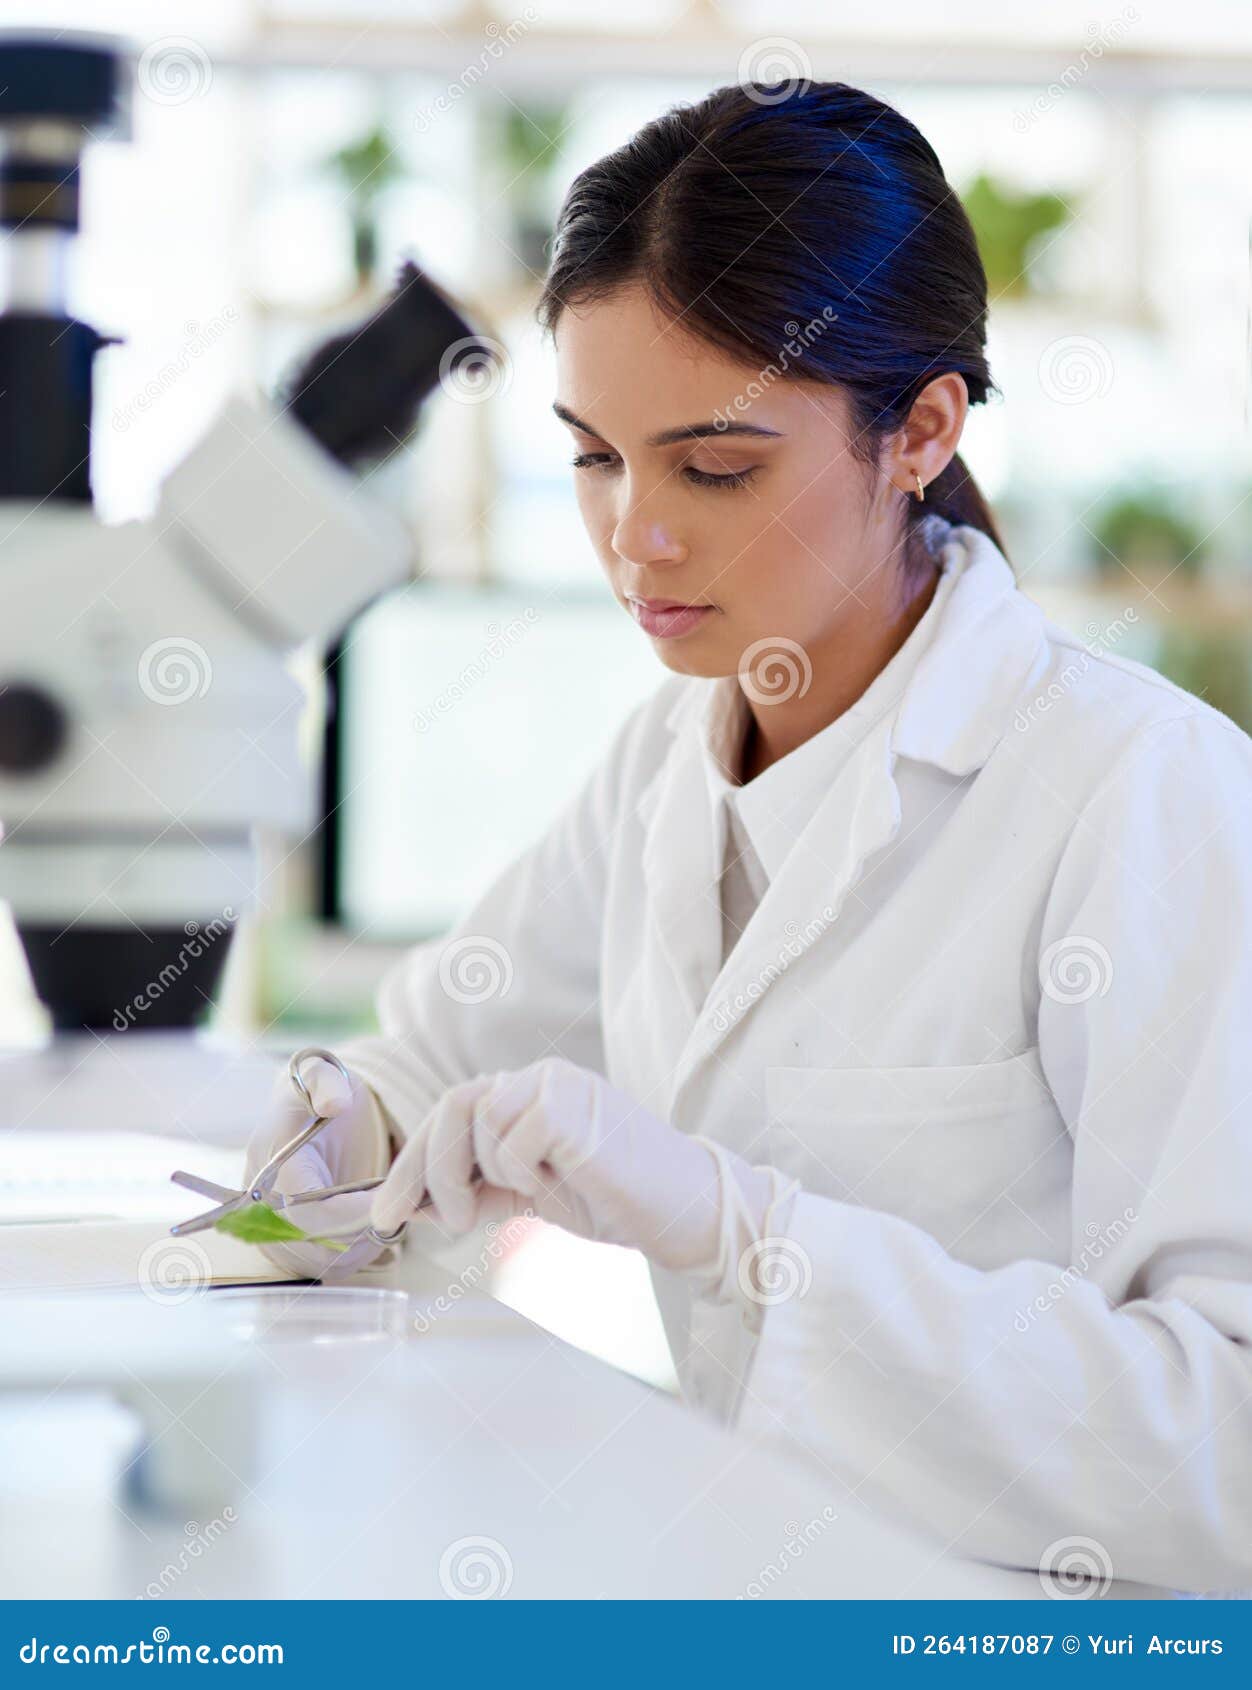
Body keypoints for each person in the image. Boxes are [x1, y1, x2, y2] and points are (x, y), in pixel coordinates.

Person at [245, 81, 1252, 1594]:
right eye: (594, 454)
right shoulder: (672, 753)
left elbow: (1226, 1444)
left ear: (918, 430)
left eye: (715, 467)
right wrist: (346, 1132)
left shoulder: (1140, 792)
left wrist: (745, 1229)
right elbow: (432, 1052)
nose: (636, 533)